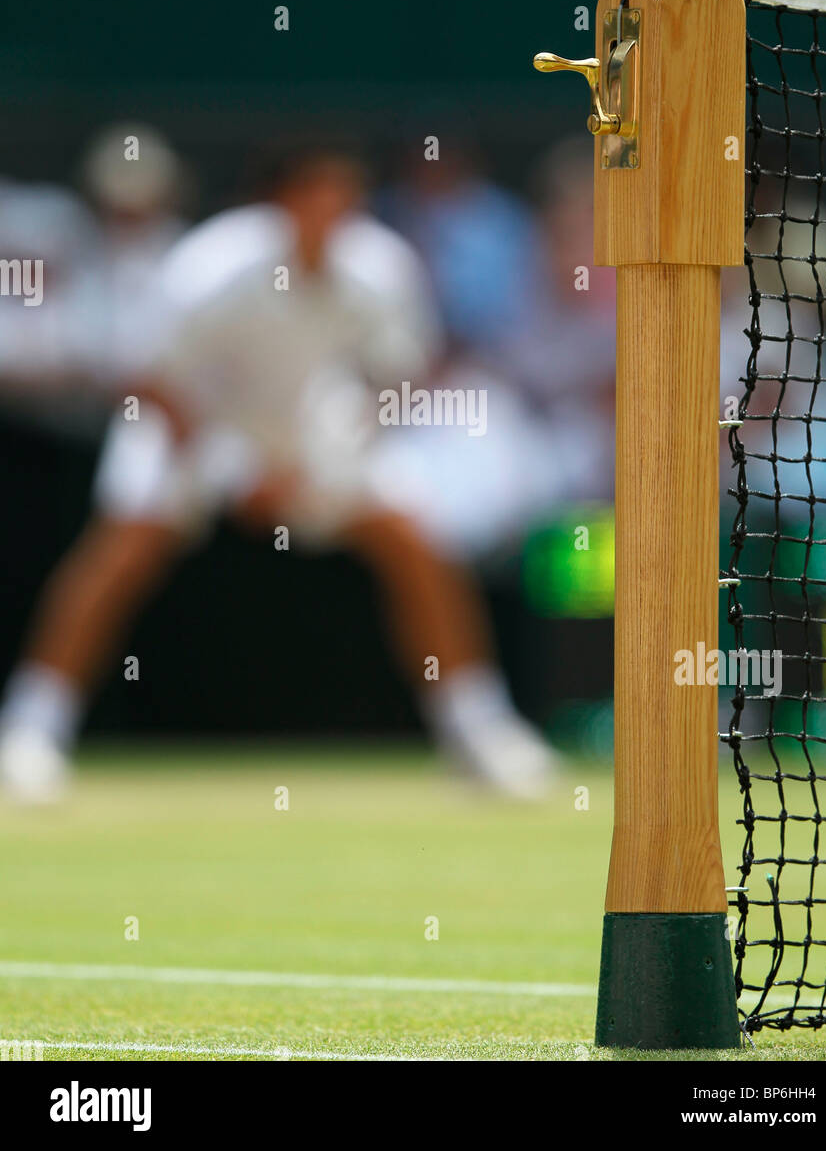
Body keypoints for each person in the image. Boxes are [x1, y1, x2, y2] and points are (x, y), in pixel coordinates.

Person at [0, 146, 556, 802]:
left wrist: (335, 451)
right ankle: (33, 730)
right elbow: (151, 383)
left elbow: (396, 380)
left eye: (344, 198)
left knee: (413, 540)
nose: (331, 213)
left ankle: (480, 729)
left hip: (314, 439)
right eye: (315, 197)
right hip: (193, 432)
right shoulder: (212, 266)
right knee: (122, 552)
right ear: (278, 204)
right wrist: (233, 470)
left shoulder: (381, 268)